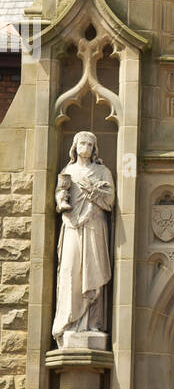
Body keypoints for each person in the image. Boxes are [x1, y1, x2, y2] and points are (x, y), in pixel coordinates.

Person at [52, 131, 115, 345]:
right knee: (70, 270)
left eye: (90, 144)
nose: (86, 148)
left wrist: (94, 193)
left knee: (93, 271)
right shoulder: (68, 171)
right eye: (82, 143)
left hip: (95, 225)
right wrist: (62, 200)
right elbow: (61, 193)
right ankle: (69, 322)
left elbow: (110, 201)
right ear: (75, 146)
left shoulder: (102, 171)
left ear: (94, 148)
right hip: (71, 226)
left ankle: (92, 323)